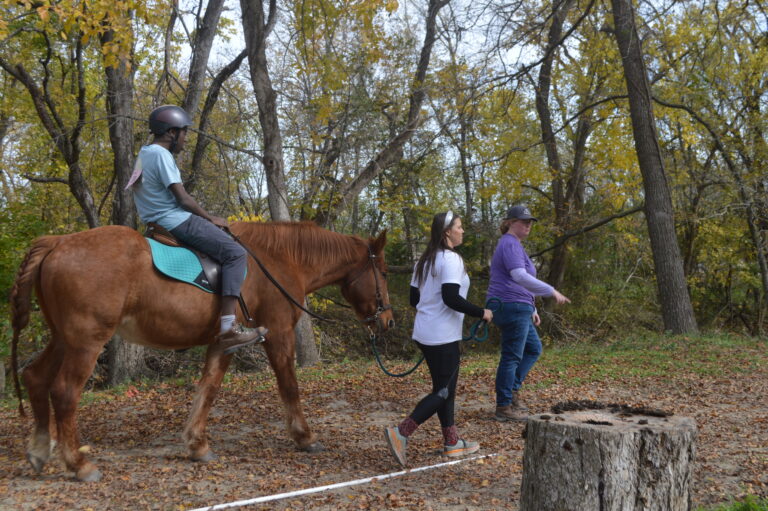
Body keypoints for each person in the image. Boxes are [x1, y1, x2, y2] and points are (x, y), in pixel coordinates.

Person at [127, 105, 267, 355]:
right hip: (175, 220)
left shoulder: (144, 154)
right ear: (171, 132)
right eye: (184, 133)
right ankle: (228, 328)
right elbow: (183, 199)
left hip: (153, 224)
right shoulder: (161, 155)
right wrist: (210, 218)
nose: (186, 139)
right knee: (235, 253)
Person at [384, 211, 493, 467]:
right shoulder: (451, 259)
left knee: (445, 389)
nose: (462, 231)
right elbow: (451, 297)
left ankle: (452, 442)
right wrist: (482, 312)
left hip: (426, 332)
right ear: (447, 232)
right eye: (459, 226)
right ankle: (401, 433)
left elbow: (414, 299)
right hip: (442, 335)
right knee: (444, 391)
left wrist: (431, 309)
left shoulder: (424, 261)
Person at [487, 205, 570, 422]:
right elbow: (519, 276)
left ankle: (512, 392)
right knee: (512, 355)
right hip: (510, 305)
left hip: (519, 306)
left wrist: (532, 307)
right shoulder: (509, 243)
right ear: (510, 222)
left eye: (530, 222)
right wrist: (550, 290)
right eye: (524, 221)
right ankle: (504, 406)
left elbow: (519, 280)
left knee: (533, 349)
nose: (528, 225)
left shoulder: (515, 245)